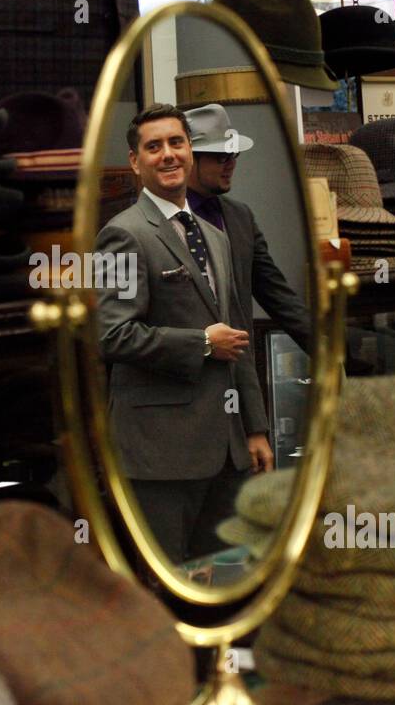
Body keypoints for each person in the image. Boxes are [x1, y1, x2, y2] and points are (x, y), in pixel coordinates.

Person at [95, 104, 272, 565]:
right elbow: (113, 335)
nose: (168, 155)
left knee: (224, 578)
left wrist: (255, 427)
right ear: (136, 162)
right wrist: (201, 343)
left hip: (228, 451)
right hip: (159, 454)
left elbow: (240, 335)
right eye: (154, 147)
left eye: (177, 143)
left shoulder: (216, 237)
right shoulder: (120, 234)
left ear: (191, 151)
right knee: (165, 587)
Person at [184, 103, 313, 355]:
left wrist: (330, 349)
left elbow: (275, 293)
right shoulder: (160, 219)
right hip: (180, 377)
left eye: (234, 155)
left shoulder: (239, 216)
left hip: (238, 370)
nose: (231, 164)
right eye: (221, 156)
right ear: (190, 157)